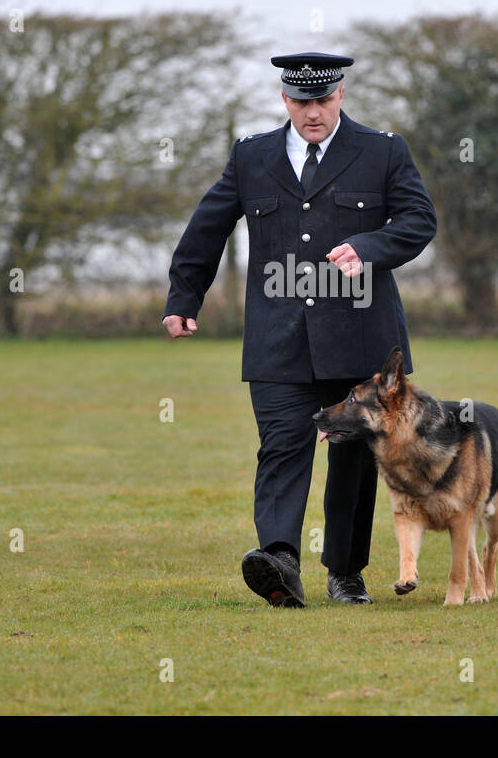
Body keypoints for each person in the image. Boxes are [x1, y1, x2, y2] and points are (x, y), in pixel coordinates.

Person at [163, 52, 437, 607]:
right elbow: (209, 225)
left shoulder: (384, 151)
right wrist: (184, 296)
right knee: (282, 448)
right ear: (284, 100)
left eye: (323, 100)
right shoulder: (252, 156)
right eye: (301, 101)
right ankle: (280, 561)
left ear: (340, 96)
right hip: (278, 339)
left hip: (362, 339)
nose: (313, 112)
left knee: (355, 459)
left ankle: (345, 572)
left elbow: (418, 220)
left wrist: (367, 246)